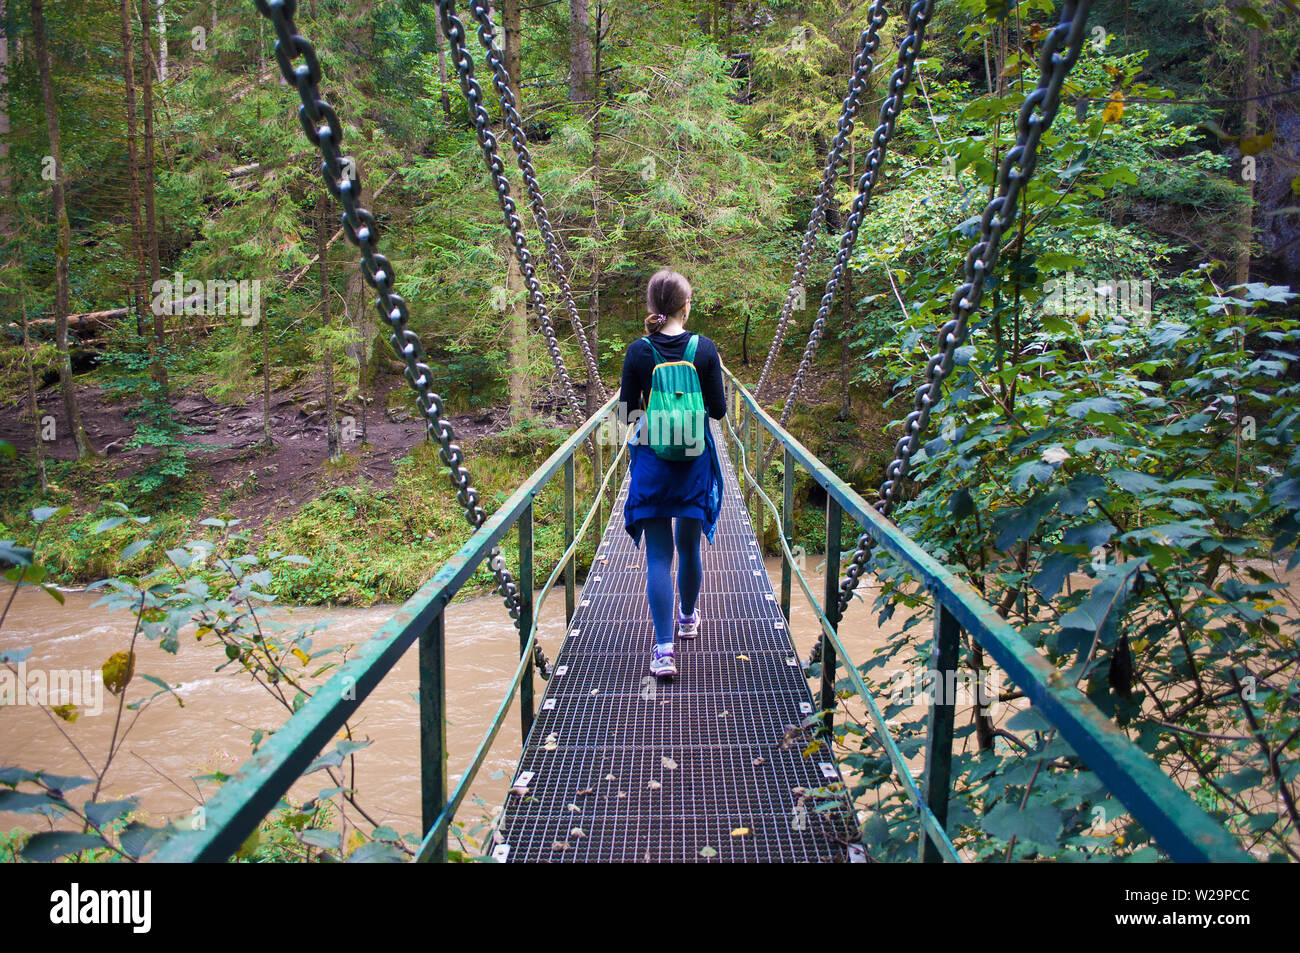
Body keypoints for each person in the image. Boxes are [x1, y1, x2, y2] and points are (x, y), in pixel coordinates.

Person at [619, 268, 726, 678]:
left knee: (659, 558)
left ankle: (663, 652)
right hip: (694, 460)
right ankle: (687, 618)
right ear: (686, 306)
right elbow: (716, 411)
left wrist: (653, 411)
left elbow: (626, 413)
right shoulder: (705, 350)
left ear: (652, 308)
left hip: (653, 461)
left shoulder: (639, 351)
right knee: (690, 548)